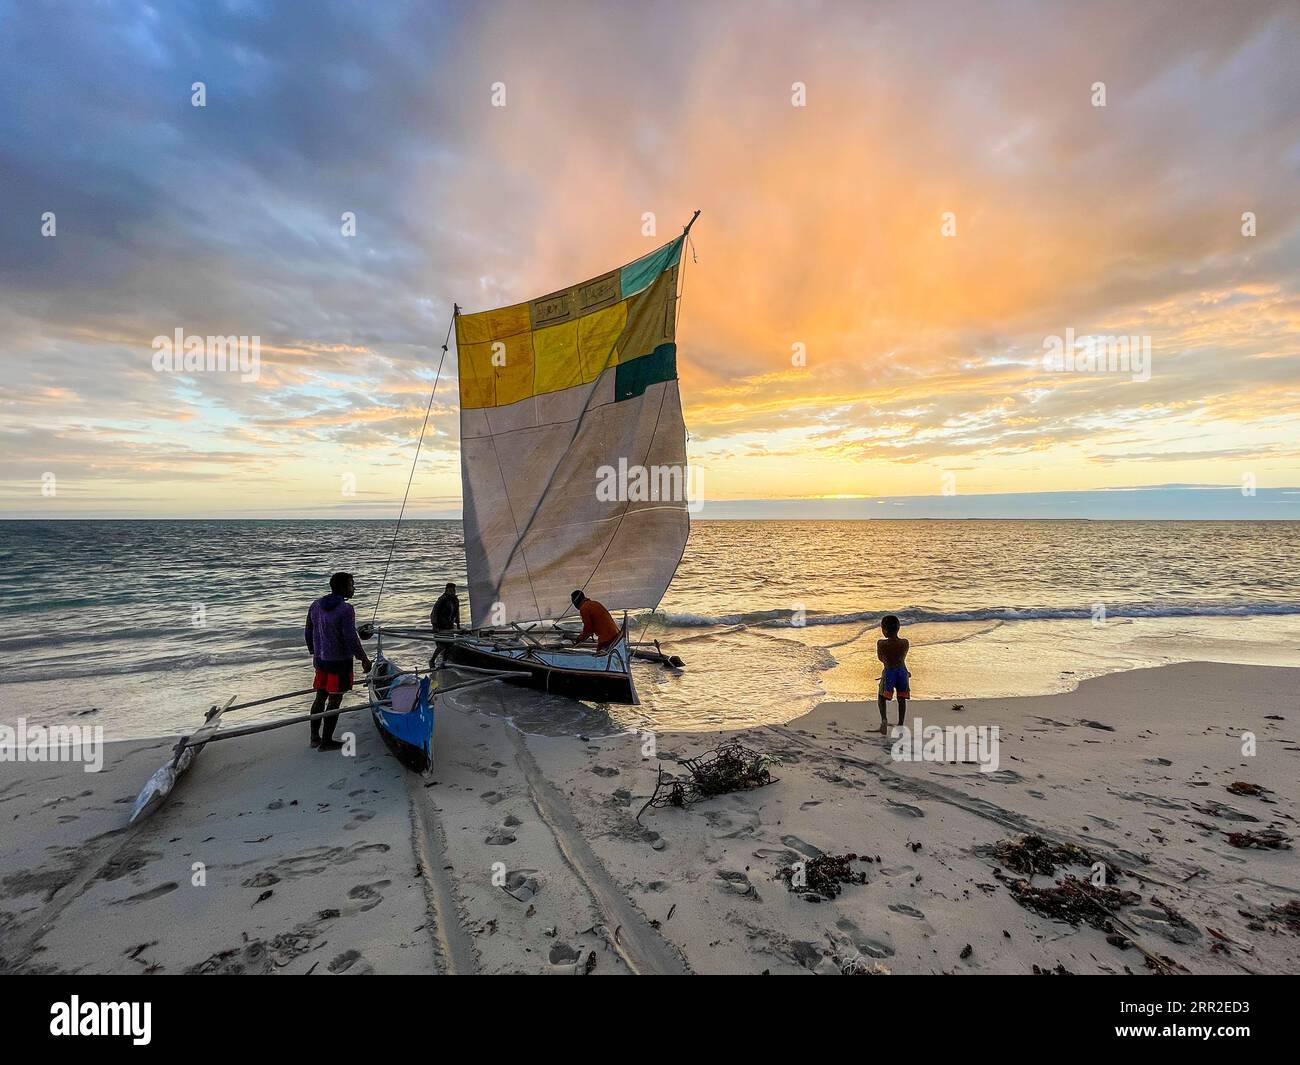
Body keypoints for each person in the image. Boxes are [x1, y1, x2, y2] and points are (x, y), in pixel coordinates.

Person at [305, 572, 371, 751]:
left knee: (321, 696)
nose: (354, 588)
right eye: (351, 585)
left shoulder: (316, 605)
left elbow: (308, 632)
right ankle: (326, 741)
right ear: (342, 588)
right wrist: (364, 659)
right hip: (339, 662)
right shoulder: (345, 609)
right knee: (335, 699)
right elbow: (351, 638)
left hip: (320, 660)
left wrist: (314, 652)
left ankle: (314, 737)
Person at [876, 614, 910, 734]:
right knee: (901, 698)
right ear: (898, 628)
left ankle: (884, 720)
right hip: (902, 672)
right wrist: (906, 672)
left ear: (884, 630)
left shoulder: (881, 643)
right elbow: (902, 658)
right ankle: (900, 723)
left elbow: (881, 658)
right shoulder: (905, 643)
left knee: (881, 697)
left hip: (889, 672)